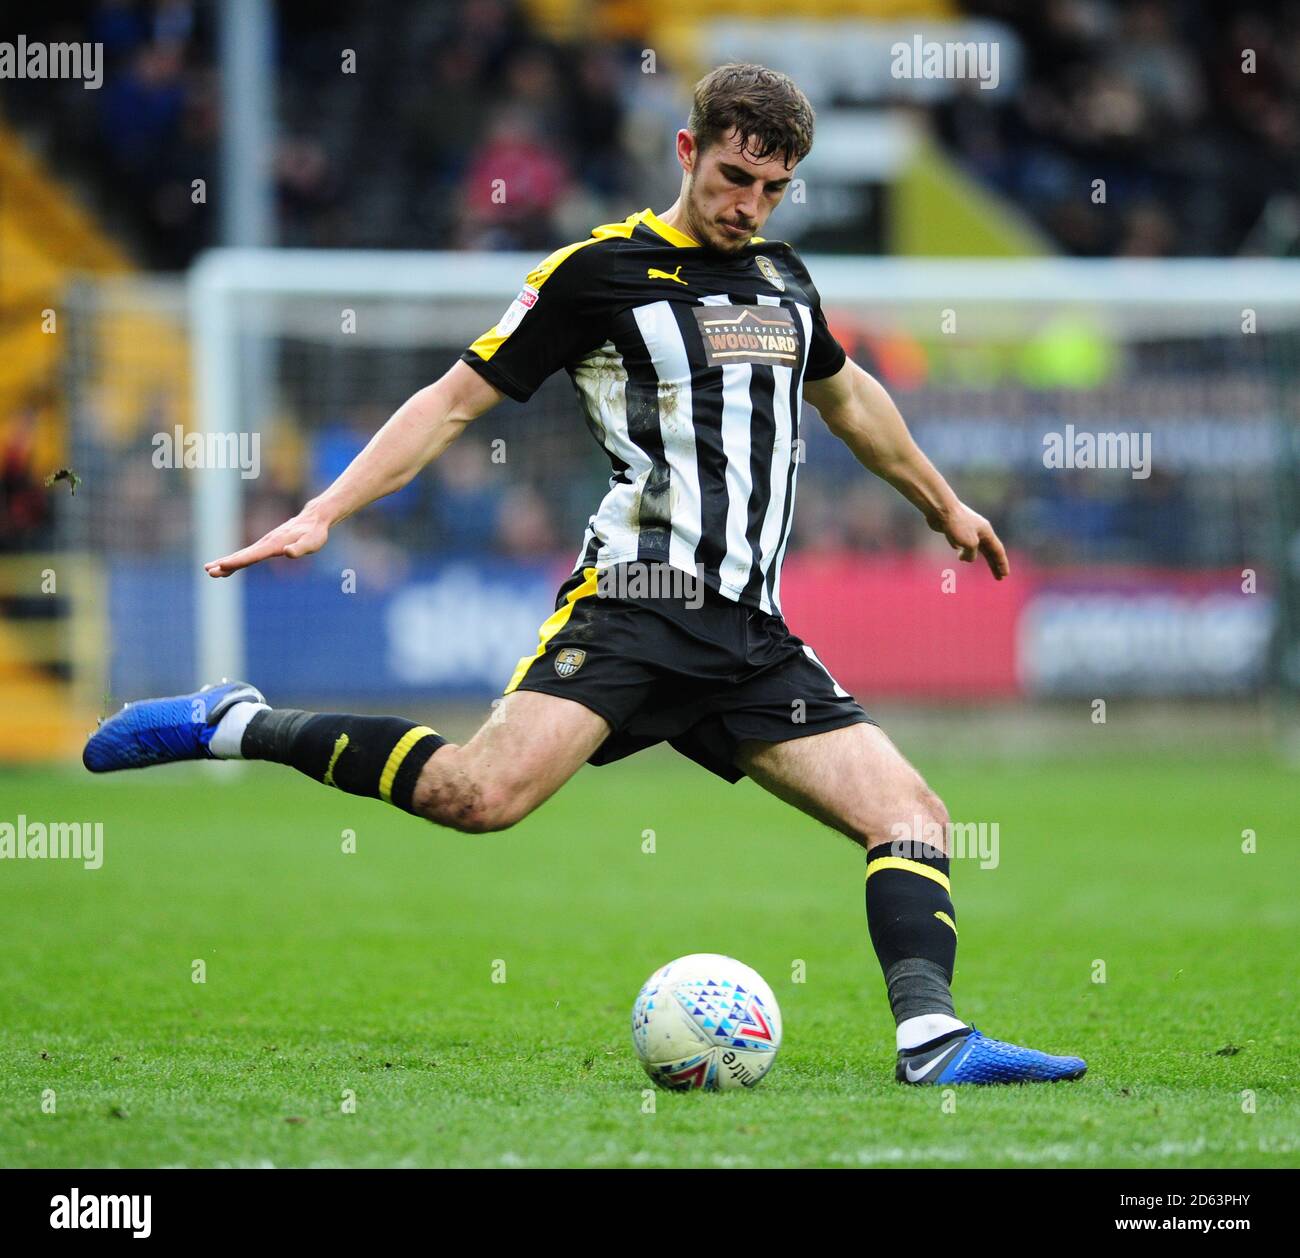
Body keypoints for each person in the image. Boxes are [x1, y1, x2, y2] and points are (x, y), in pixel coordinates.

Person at [86, 64, 1084, 1088]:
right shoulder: (594, 275)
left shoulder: (785, 280)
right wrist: (323, 511)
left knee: (911, 815)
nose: (749, 205)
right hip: (636, 604)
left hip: (749, 634)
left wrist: (945, 505)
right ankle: (234, 720)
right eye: (735, 177)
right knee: (478, 795)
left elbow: (851, 398)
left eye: (773, 188)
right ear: (688, 151)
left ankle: (932, 1041)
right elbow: (449, 403)